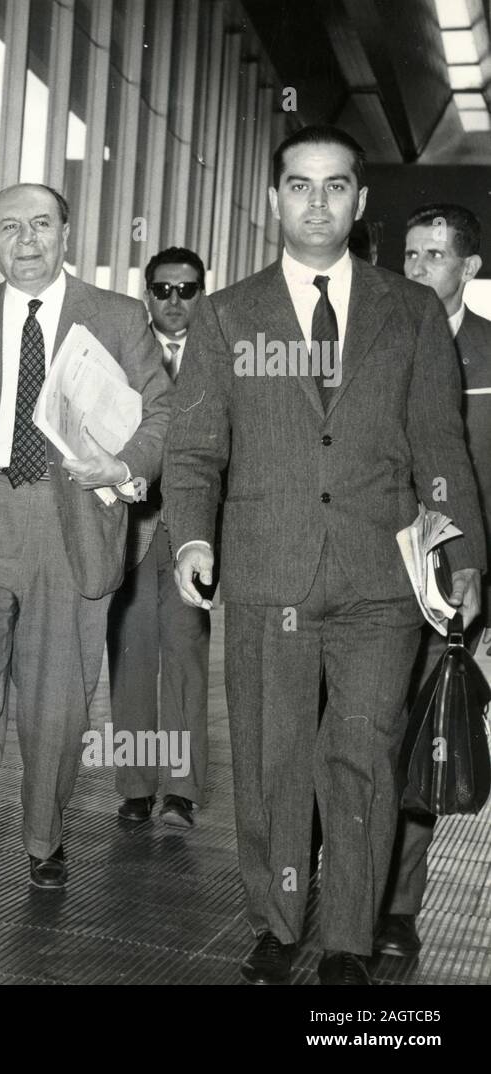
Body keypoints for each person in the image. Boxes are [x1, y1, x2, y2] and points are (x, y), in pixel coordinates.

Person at [164, 126, 485, 985]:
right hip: (270, 571)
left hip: (383, 579)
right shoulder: (226, 315)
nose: (317, 202)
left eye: (336, 186)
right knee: (274, 760)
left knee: (363, 756)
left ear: (359, 200)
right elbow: (194, 451)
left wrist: (463, 557)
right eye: (300, 186)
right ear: (274, 200)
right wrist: (192, 538)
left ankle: (347, 941)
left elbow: (439, 447)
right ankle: (276, 921)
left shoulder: (410, 312)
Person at [0, 182, 172, 917]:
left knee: (56, 708)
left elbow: (166, 414)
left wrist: (125, 466)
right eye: (9, 227)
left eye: (41, 224)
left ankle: (45, 837)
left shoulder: (116, 317)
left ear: (66, 232)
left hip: (73, 518)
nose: (26, 240)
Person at [376, 203, 491, 957]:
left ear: (469, 270)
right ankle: (337, 874)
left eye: (435, 256)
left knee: (423, 734)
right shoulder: (369, 346)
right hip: (370, 571)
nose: (417, 269)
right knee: (355, 733)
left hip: (454, 582)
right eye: (409, 256)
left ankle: (398, 906)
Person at [106, 247, 210, 828]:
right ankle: (137, 786)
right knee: (131, 657)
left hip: (193, 532)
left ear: (202, 293)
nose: (174, 301)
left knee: (187, 656)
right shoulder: (124, 350)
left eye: (186, 290)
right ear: (147, 293)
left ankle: (182, 791)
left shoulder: (222, 356)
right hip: (131, 526)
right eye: (162, 289)